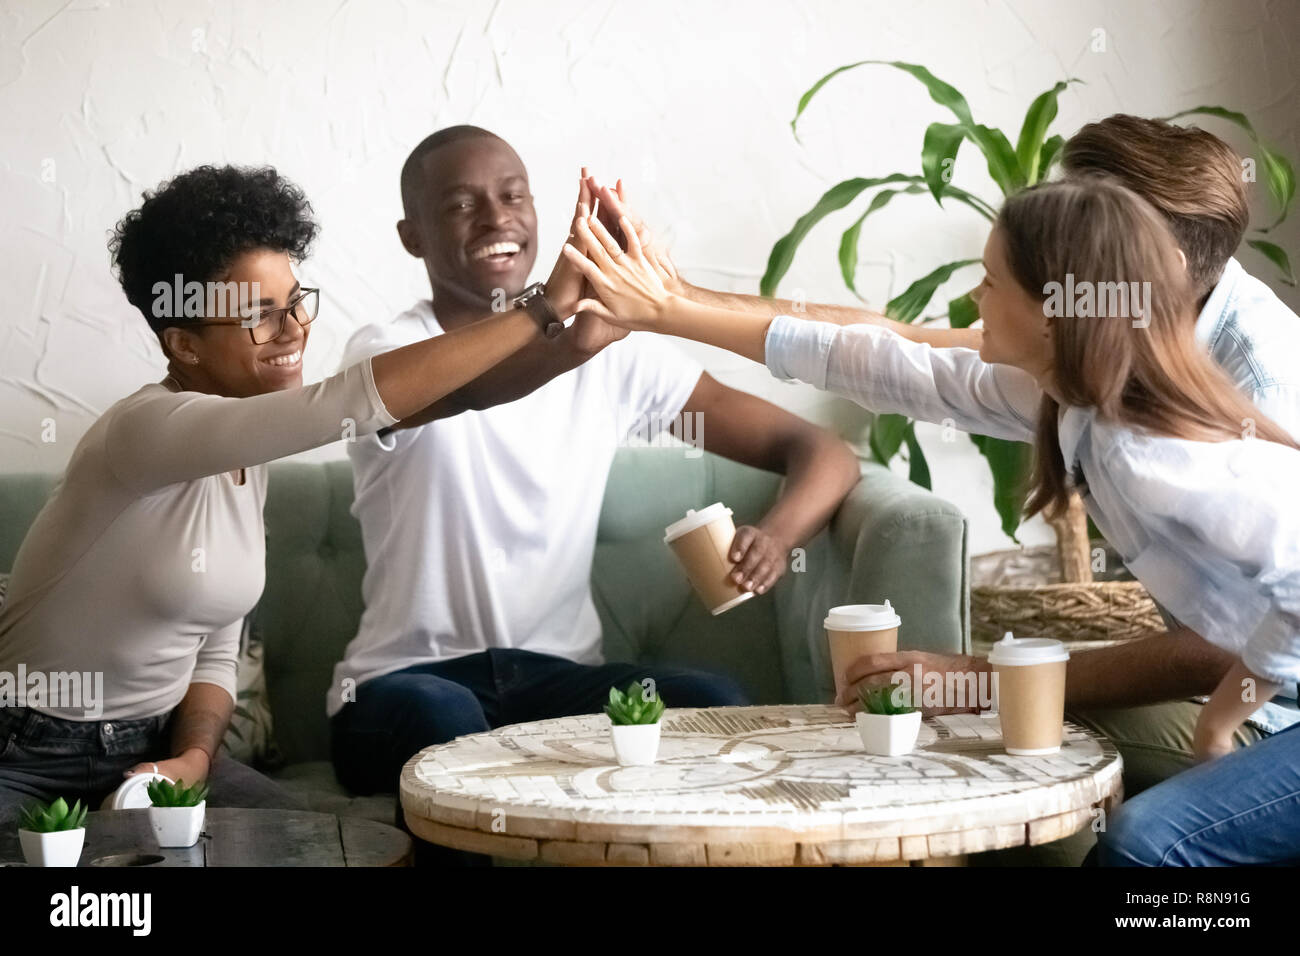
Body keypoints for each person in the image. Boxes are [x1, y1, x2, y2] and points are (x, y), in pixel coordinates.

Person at [562, 174, 1300, 865]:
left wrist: (1222, 714)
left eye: (991, 280)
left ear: (1053, 313)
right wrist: (667, 307)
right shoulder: (1068, 402)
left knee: (1148, 844)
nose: (975, 297)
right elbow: (880, 364)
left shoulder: (1150, 450)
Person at [0, 163, 589, 827]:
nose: (293, 330)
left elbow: (216, 654)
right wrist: (542, 308)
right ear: (183, 345)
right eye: (258, 316)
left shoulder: (248, 464)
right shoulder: (143, 433)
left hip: (156, 756)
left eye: (294, 302)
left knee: (343, 849)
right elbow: (348, 402)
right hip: (25, 754)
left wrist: (192, 759)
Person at [327, 126, 862, 799]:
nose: (496, 217)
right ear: (414, 237)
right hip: (403, 686)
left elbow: (824, 452)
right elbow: (472, 388)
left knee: (713, 701)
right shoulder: (384, 354)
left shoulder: (605, 354)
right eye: (462, 205)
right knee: (448, 721)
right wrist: (561, 322)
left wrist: (778, 536)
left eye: (513, 196)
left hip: (554, 686)